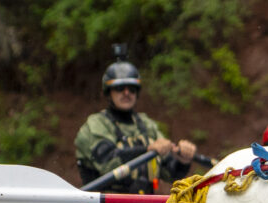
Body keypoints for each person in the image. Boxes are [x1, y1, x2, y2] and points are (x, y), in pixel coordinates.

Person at [74, 52, 206, 192]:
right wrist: (147, 150)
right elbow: (108, 162)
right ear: (108, 92)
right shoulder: (96, 124)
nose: (126, 93)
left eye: (131, 88)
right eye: (120, 88)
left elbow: (170, 174)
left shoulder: (147, 125)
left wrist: (182, 161)